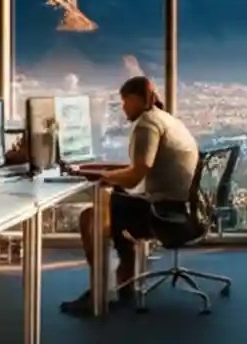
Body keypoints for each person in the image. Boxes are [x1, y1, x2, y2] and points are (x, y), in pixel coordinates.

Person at [60, 76, 199, 317]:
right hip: (178, 206)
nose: (123, 107)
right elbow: (141, 166)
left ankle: (99, 291)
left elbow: (135, 175)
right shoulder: (165, 119)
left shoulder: (147, 124)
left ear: (135, 99)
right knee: (118, 207)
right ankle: (124, 284)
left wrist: (105, 176)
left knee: (92, 217)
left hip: (162, 211)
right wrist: (103, 170)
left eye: (125, 101)